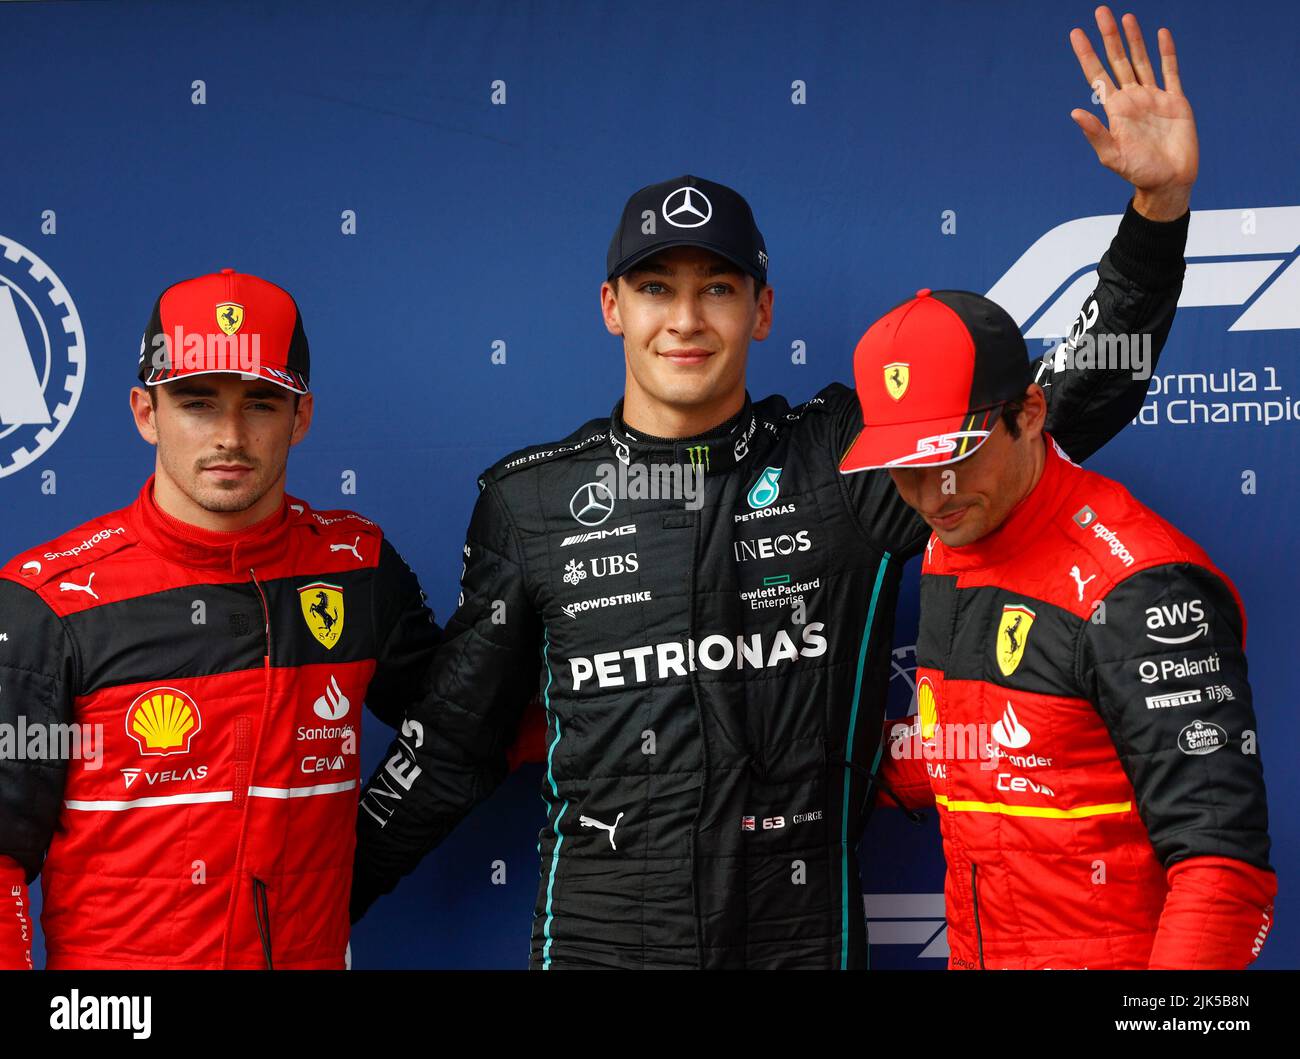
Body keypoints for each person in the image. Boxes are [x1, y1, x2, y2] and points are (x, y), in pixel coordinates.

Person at [349, 8, 1200, 968]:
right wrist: (313, 908)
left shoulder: (844, 462)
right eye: (656, 288)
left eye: (716, 288)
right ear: (611, 308)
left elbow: (1068, 395)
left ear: (761, 310)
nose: (685, 319)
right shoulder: (530, 502)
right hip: (600, 946)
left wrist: (1156, 216)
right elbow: (455, 745)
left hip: (800, 944)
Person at [0, 269, 442, 969]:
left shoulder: (357, 568)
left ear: (301, 416)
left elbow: (465, 727)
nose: (230, 435)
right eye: (198, 402)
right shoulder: (47, 601)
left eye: (261, 404)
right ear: (146, 412)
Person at [840, 287, 1274, 969]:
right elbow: (990, 751)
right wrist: (803, 760)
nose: (933, 494)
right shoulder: (947, 543)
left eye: (954, 453)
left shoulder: (1138, 588)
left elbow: (1223, 869)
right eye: (906, 466)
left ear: (1030, 412)